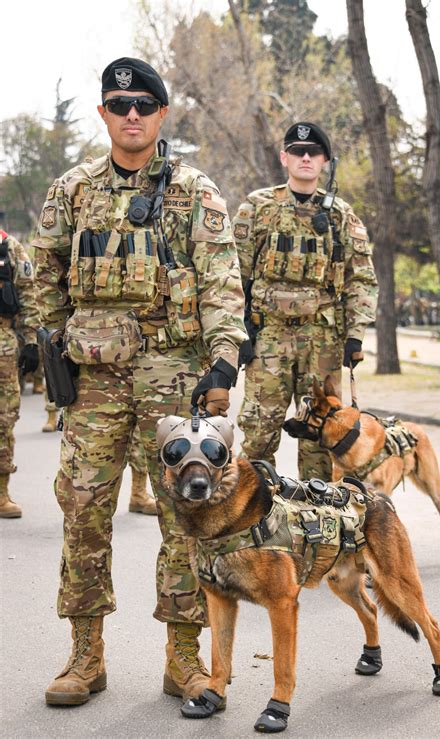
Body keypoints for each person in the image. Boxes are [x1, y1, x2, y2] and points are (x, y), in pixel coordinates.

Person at [33, 57, 247, 706]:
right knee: (83, 516)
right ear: (103, 113)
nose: (132, 115)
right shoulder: (70, 190)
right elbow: (44, 272)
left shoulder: (195, 191)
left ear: (161, 114)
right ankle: (85, 657)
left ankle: (183, 659)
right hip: (93, 386)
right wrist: (54, 346)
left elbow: (221, 280)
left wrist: (225, 357)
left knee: (186, 520)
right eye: (119, 105)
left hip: (174, 379)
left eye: (144, 106)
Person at [233, 122, 378, 480]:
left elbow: (362, 278)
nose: (306, 157)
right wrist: (238, 333)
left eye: (314, 152)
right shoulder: (257, 208)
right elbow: (234, 278)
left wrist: (355, 334)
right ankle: (251, 520)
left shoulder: (341, 215)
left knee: (321, 434)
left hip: (322, 340)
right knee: (259, 431)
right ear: (285, 157)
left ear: (326, 160)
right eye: (298, 151)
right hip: (268, 338)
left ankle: (316, 526)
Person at [0, 230, 40, 517]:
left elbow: (28, 295)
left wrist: (31, 342)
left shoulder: (8, 246)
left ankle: (1, 494)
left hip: (2, 341)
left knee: (3, 420)